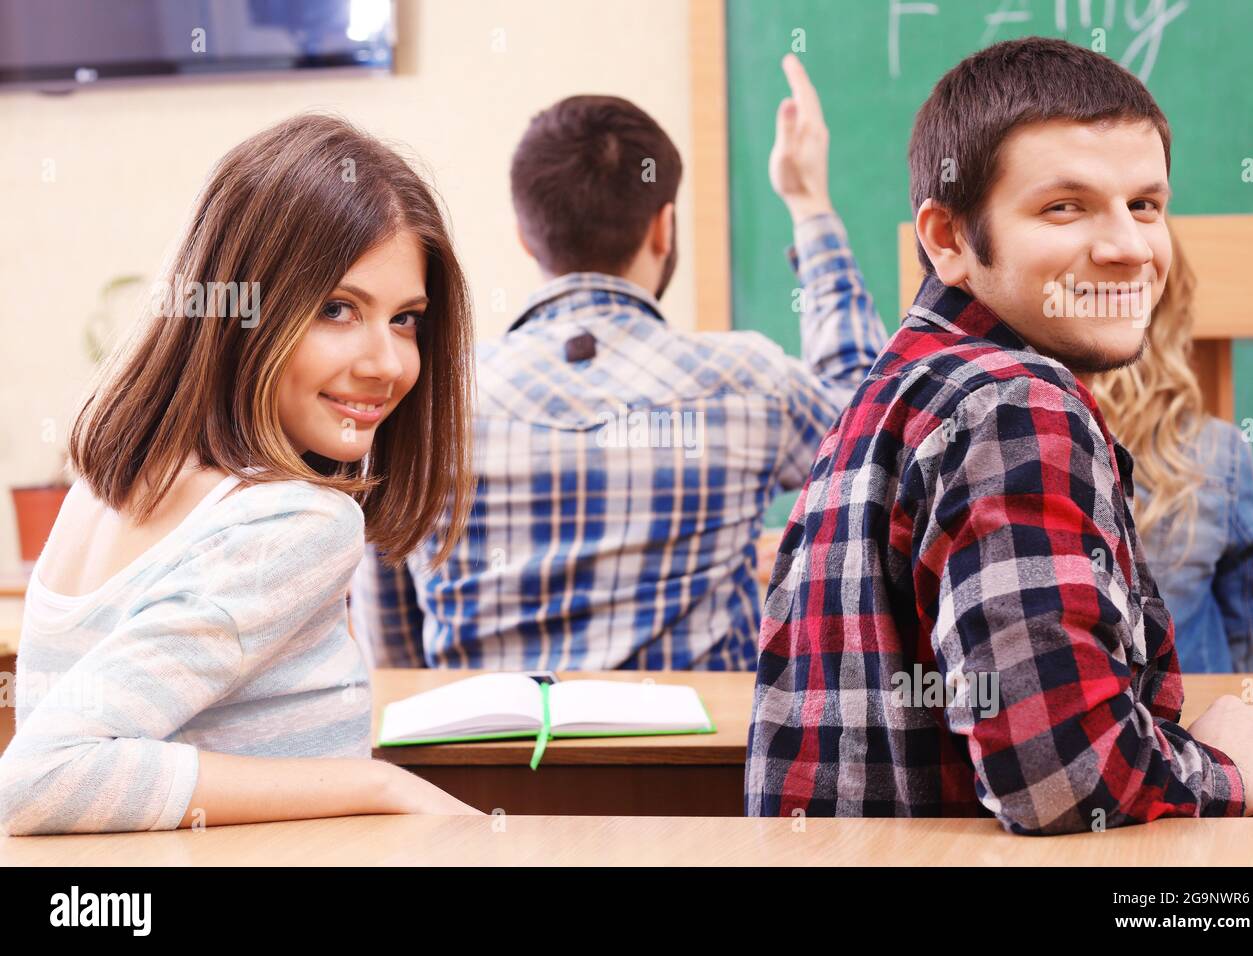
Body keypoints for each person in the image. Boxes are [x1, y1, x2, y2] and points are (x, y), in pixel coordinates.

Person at [745, 38, 1253, 833]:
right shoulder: (1017, 405)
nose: (1128, 246)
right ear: (948, 240)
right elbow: (1064, 777)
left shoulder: (901, 389)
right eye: (1064, 207)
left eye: (1146, 204)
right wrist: (1226, 768)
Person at [0, 114, 481, 835]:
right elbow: (43, 779)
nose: (386, 363)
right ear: (241, 311)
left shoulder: (106, 488)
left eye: (406, 319)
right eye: (337, 310)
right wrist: (373, 786)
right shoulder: (297, 521)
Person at [351, 56, 888, 671]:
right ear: (664, 229)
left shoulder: (424, 406)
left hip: (467, 770)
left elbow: (392, 665)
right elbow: (872, 436)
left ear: (527, 237)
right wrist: (808, 204)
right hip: (701, 769)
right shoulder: (752, 383)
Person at [1092, 230, 1253, 672]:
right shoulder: (1221, 452)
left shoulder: (1040, 439)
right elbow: (1245, 626)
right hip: (1194, 720)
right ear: (1174, 310)